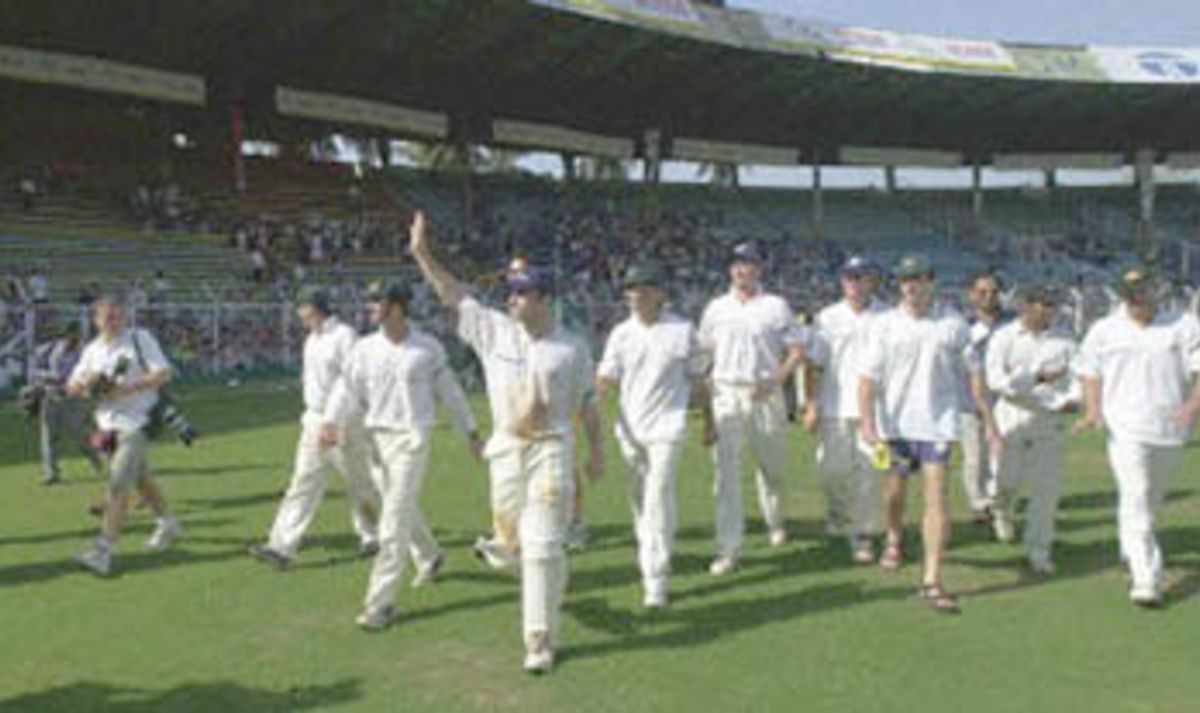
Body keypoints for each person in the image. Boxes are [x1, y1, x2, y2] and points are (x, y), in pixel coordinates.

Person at [410, 210, 603, 674]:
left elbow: (587, 403)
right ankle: (535, 563)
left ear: (544, 298)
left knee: (538, 545)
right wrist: (422, 254)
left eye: (523, 293)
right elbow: (453, 294)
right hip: (505, 451)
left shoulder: (571, 347)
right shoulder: (494, 329)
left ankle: (539, 640)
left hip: (551, 449)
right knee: (516, 551)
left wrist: (596, 450)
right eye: (511, 293)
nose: (514, 300)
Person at [323, 280, 481, 630]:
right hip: (374, 439)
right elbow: (346, 389)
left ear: (397, 307)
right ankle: (431, 555)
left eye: (377, 301)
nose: (370, 306)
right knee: (399, 506)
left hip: (412, 440)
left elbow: (451, 393)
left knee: (392, 520)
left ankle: (379, 604)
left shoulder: (427, 348)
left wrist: (470, 431)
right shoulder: (364, 349)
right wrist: (331, 422)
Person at [859, 255, 992, 613]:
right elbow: (868, 378)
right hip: (894, 427)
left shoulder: (953, 324)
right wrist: (868, 422)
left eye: (918, 279)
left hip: (938, 424)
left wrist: (986, 418)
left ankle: (932, 579)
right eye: (905, 280)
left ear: (932, 282)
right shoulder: (884, 325)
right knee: (894, 494)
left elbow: (974, 373)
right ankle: (893, 537)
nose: (912, 286)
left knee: (937, 497)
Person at [1075, 265, 1200, 607]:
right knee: (1137, 495)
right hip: (1125, 427)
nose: (1137, 299)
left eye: (1143, 291)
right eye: (1131, 294)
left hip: (1170, 428)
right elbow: (1090, 372)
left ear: (1156, 290)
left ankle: (1130, 548)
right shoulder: (1104, 330)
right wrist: (1093, 410)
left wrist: (1192, 406)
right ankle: (1147, 579)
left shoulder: (1183, 325)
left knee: (1148, 501)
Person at [596, 260, 707, 608]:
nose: (636, 295)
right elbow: (606, 378)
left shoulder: (683, 330)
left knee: (658, 495)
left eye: (644, 288)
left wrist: (710, 420)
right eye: (631, 289)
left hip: (668, 426)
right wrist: (585, 405)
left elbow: (699, 380)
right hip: (630, 429)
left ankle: (655, 579)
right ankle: (653, 551)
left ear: (660, 293)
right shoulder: (620, 334)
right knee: (641, 499)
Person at [248, 287, 380, 569]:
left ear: (315, 307)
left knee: (360, 484)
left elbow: (351, 383)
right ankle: (281, 547)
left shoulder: (344, 336)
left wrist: (334, 421)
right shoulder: (312, 339)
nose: (299, 314)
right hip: (314, 419)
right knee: (303, 483)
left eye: (302, 308)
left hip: (344, 421)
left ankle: (375, 535)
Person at [698, 242, 807, 576]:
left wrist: (776, 379)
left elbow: (797, 349)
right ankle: (728, 548)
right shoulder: (716, 308)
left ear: (760, 269)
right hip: (727, 394)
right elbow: (703, 356)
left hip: (766, 395)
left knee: (772, 468)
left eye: (750, 264)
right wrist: (701, 398)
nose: (743, 270)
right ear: (731, 269)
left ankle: (775, 520)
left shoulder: (775, 306)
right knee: (726, 475)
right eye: (737, 264)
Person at [67, 294, 182, 575]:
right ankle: (167, 523)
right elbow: (72, 385)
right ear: (96, 321)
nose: (114, 321)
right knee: (142, 479)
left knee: (118, 484)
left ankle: (103, 550)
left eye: (118, 315)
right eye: (107, 317)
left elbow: (164, 373)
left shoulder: (140, 338)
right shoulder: (92, 350)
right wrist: (87, 386)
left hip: (138, 421)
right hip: (107, 425)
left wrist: (125, 390)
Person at [985, 284, 1079, 575]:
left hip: (1048, 422)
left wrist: (1071, 401)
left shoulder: (1065, 341)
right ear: (1025, 305)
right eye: (1039, 303)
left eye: (1050, 304)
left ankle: (1039, 550)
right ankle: (1001, 511)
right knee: (1006, 482)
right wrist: (1036, 380)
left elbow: (1079, 379)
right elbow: (997, 381)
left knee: (1046, 491)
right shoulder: (1004, 337)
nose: (1045, 309)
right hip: (1011, 418)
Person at [806, 255, 887, 564]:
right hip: (834, 408)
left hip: (876, 413)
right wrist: (811, 403)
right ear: (842, 281)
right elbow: (814, 365)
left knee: (872, 474)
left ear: (872, 281)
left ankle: (864, 534)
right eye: (849, 277)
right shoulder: (827, 318)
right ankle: (839, 510)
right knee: (831, 471)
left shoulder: (887, 317)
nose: (855, 283)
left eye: (861, 276)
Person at [961, 271, 1011, 523]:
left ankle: (997, 497)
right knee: (975, 456)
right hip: (970, 401)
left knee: (1002, 454)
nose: (988, 297)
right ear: (972, 294)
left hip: (1006, 400)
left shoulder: (1012, 325)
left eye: (993, 292)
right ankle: (979, 503)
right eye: (982, 292)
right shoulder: (963, 327)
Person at [34, 324, 102, 484]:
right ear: (66, 335)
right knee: (49, 436)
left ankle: (93, 457)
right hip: (51, 395)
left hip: (74, 397)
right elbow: (36, 369)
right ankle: (51, 473)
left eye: (77, 336)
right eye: (73, 335)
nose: (75, 339)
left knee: (79, 434)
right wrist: (49, 377)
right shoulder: (49, 349)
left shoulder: (84, 353)